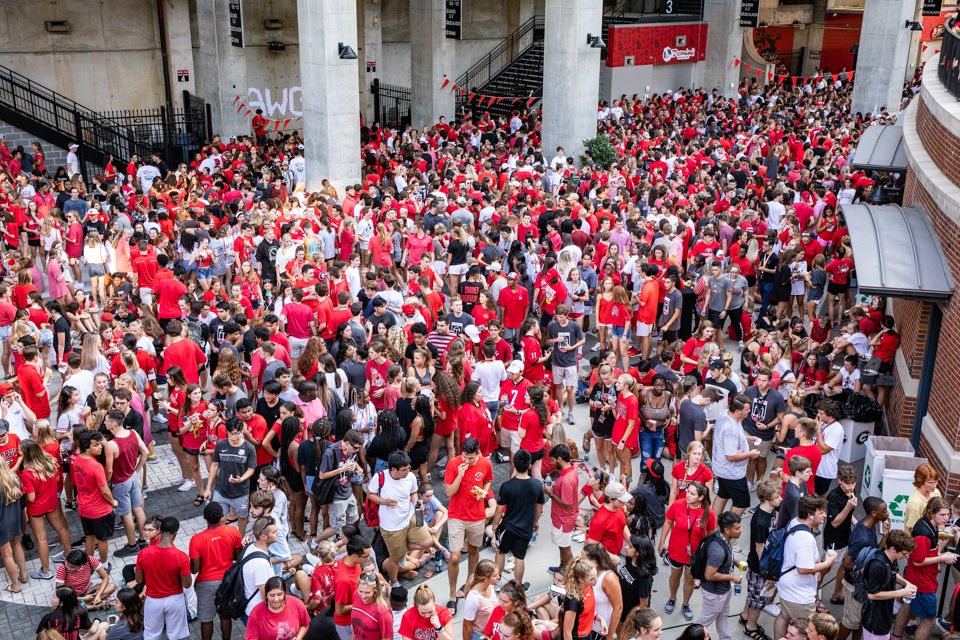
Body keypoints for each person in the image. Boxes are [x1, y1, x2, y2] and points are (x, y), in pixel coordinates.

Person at [891, 497, 956, 640]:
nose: (947, 518)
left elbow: (925, 553)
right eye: (943, 515)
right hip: (923, 583)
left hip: (916, 579)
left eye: (948, 514)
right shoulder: (923, 533)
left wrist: (940, 555)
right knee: (928, 621)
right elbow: (918, 561)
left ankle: (895, 637)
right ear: (932, 513)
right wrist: (942, 558)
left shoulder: (929, 525)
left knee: (907, 609)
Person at [366, 451, 433, 586]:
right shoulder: (380, 477)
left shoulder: (411, 477)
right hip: (391, 525)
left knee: (428, 542)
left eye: (408, 468)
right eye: (404, 470)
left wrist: (415, 503)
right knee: (395, 559)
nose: (407, 472)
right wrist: (384, 501)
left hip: (409, 516)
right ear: (393, 469)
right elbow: (370, 494)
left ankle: (402, 549)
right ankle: (394, 581)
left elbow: (413, 492)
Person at [774, 495, 836, 639]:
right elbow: (802, 569)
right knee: (804, 630)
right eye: (821, 513)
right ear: (810, 515)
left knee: (784, 617)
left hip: (786, 586)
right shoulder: (805, 538)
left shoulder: (794, 521)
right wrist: (827, 563)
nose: (825, 515)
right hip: (798, 594)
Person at [443, 437, 493, 613]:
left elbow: (487, 481)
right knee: (455, 557)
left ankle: (468, 583)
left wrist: (484, 493)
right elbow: (449, 492)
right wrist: (460, 475)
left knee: (473, 550)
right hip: (456, 515)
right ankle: (451, 595)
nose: (467, 461)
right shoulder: (453, 464)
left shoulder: (486, 463)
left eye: (471, 458)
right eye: (464, 456)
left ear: (477, 453)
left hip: (477, 516)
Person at [836, 496, 892, 640]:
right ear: (874, 513)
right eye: (884, 510)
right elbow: (847, 563)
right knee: (850, 622)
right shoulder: (862, 537)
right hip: (854, 586)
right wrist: (868, 570)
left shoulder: (870, 527)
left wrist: (885, 536)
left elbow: (874, 553)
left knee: (860, 623)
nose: (887, 513)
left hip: (862, 584)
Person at [659, 480, 715, 620]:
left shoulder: (708, 512)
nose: (687, 495)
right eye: (687, 491)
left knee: (690, 579)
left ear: (701, 497)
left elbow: (711, 534)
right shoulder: (678, 505)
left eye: (692, 493)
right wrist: (661, 542)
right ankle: (672, 598)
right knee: (675, 576)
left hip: (695, 554)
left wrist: (709, 555)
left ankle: (685, 604)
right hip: (676, 550)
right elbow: (668, 521)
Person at [189, 502, 243, 640]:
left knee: (206, 619)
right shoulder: (233, 531)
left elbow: (194, 569)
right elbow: (238, 557)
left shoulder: (196, 540)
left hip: (206, 583)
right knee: (224, 615)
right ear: (221, 517)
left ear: (204, 517)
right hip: (227, 581)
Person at [491, 449, 545, 586]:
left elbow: (499, 510)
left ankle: (497, 581)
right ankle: (518, 584)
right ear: (530, 466)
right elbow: (539, 508)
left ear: (514, 465)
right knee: (519, 557)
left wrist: (495, 525)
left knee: (500, 551)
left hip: (508, 527)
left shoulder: (506, 486)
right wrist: (535, 521)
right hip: (526, 527)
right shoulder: (537, 485)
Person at [134, 516, 192, 640]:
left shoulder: (144, 554)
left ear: (160, 530)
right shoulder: (181, 557)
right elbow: (187, 584)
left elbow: (139, 580)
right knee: (175, 636)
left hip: (153, 600)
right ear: (175, 532)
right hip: (175, 600)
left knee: (151, 635)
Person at [741, 480, 782, 640]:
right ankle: (750, 627)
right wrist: (766, 572)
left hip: (763, 562)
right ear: (766, 498)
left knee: (753, 594)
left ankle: (745, 615)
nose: (780, 499)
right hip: (759, 566)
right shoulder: (760, 520)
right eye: (777, 496)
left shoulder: (770, 510)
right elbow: (759, 548)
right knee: (758, 598)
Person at [711, 394, 757, 536]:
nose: (749, 412)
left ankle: (712, 527)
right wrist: (750, 454)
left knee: (722, 495)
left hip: (721, 468)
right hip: (732, 473)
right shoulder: (730, 428)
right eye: (747, 410)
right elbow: (730, 455)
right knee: (742, 502)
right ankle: (727, 529)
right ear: (738, 411)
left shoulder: (725, 414)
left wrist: (746, 438)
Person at [202, 416, 257, 535]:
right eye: (230, 434)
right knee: (218, 517)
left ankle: (240, 537)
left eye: (236, 434)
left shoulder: (249, 448)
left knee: (242, 516)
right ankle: (221, 537)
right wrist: (208, 488)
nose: (233, 437)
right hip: (221, 490)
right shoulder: (221, 445)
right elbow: (214, 466)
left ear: (242, 431)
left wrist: (241, 479)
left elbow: (251, 469)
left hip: (241, 492)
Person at [861, 530, 917, 640]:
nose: (907, 557)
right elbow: (871, 595)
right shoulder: (877, 566)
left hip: (884, 613)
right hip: (874, 619)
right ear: (893, 549)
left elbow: (892, 573)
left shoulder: (891, 558)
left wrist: (905, 582)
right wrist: (901, 593)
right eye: (905, 554)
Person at [72, 430, 116, 570]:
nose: (100, 447)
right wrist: (113, 501)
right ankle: (103, 564)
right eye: (96, 445)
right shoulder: (96, 466)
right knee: (102, 539)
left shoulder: (77, 459)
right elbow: (104, 490)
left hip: (84, 508)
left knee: (89, 536)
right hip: (99, 510)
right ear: (87, 447)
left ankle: (89, 563)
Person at [694, 511, 742, 640]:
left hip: (723, 589)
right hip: (715, 593)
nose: (741, 530)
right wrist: (732, 577)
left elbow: (724, 559)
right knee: (703, 622)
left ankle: (726, 638)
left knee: (723, 614)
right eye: (737, 528)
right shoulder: (717, 550)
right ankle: (689, 637)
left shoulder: (723, 538)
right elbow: (709, 575)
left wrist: (735, 562)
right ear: (727, 530)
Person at [742, 367, 785, 487]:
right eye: (759, 379)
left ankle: (759, 480)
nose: (761, 383)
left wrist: (767, 426)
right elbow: (742, 409)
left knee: (761, 459)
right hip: (749, 430)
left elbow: (780, 416)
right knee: (750, 457)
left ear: (770, 381)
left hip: (765, 435)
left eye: (764, 380)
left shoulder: (777, 396)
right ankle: (750, 481)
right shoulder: (749, 391)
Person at [545, 305, 585, 423]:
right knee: (557, 386)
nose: (559, 319)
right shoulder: (552, 325)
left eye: (561, 317)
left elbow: (582, 340)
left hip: (570, 361)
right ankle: (561, 408)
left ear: (567, 315)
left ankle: (571, 412)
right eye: (557, 317)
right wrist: (556, 340)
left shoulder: (574, 326)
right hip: (557, 361)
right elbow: (547, 340)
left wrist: (572, 347)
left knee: (569, 388)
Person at [245, 575, 310, 640]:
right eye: (272, 595)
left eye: (279, 594)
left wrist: (298, 638)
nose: (276, 599)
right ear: (266, 595)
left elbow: (305, 624)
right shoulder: (256, 613)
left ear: (284, 593)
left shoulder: (297, 603)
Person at [546, 443, 578, 572]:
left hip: (563, 520)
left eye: (553, 460)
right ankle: (562, 568)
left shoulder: (566, 479)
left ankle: (572, 575)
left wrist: (550, 494)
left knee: (565, 548)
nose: (552, 463)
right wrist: (555, 485)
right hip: (563, 518)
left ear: (559, 459)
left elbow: (567, 504)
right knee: (562, 546)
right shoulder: (570, 470)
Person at [581, 543, 624, 640]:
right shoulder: (584, 572)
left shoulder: (609, 578)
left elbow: (618, 608)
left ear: (594, 562)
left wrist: (610, 634)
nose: (580, 561)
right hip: (585, 624)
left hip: (599, 630)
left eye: (583, 559)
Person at [334, 535, 371, 640]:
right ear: (355, 556)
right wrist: (363, 600)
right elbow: (339, 610)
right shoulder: (344, 580)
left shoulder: (351, 561)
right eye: (365, 556)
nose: (368, 559)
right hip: (347, 624)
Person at [243, 516, 279, 618]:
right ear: (263, 537)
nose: (278, 534)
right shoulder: (261, 564)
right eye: (274, 532)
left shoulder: (250, 547)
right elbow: (266, 596)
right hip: (258, 614)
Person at [36, 585, 101, 640]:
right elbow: (92, 630)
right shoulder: (80, 612)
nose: (51, 599)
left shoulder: (48, 618)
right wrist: (97, 620)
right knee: (104, 625)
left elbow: (40, 636)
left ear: (61, 603)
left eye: (54, 597)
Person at [561, 557, 603, 640]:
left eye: (596, 575)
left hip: (589, 633)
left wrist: (600, 619)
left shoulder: (589, 587)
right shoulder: (573, 600)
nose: (596, 580)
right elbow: (567, 632)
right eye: (592, 579)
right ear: (581, 580)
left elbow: (584, 612)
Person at [463, 560, 500, 640]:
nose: (499, 577)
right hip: (479, 636)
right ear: (484, 579)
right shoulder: (473, 599)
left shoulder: (490, 586)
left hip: (492, 632)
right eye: (495, 576)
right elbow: (466, 626)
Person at [350, 571, 393, 640]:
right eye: (360, 591)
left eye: (367, 592)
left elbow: (388, 638)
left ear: (375, 590)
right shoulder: (356, 594)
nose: (363, 596)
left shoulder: (383, 611)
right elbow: (355, 626)